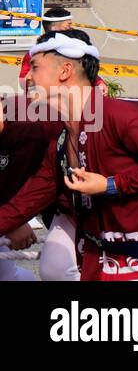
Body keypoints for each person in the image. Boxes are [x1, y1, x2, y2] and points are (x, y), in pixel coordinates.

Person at [0, 31, 138, 280]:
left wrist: (110, 184)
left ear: (65, 71)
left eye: (35, 67)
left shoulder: (114, 113)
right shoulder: (60, 135)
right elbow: (30, 197)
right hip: (105, 255)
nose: (27, 77)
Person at [0, 93, 60, 282]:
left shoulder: (29, 126)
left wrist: (14, 219)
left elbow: (47, 180)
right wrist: (12, 222)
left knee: (59, 266)